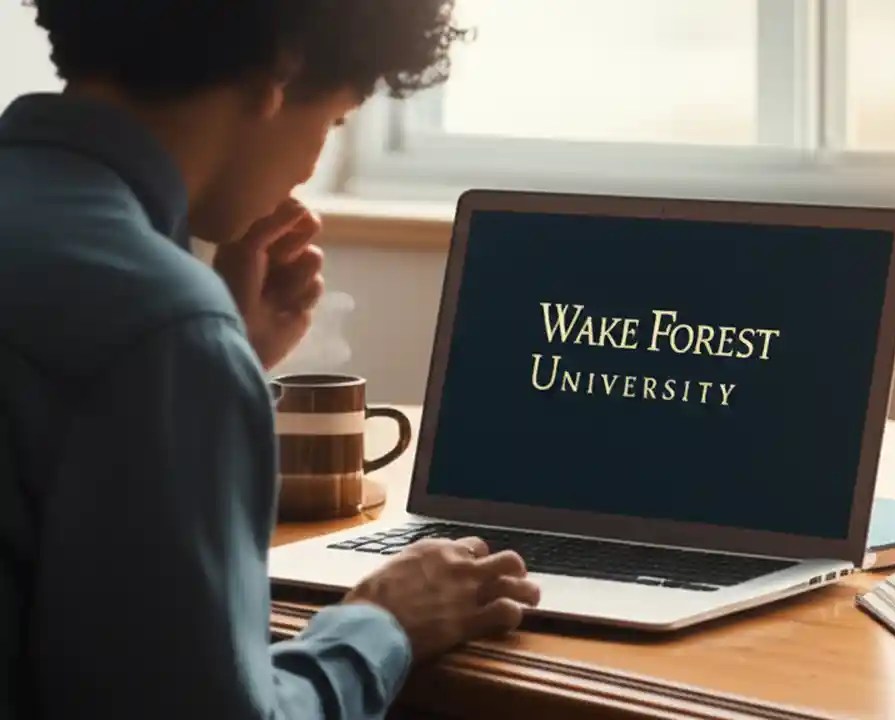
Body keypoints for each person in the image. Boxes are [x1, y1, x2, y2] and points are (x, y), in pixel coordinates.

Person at [0, 2, 541, 718]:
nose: (313, 165)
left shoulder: (151, 328)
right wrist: (384, 623)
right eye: (337, 121)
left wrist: (227, 357)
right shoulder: (162, 329)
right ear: (279, 74)